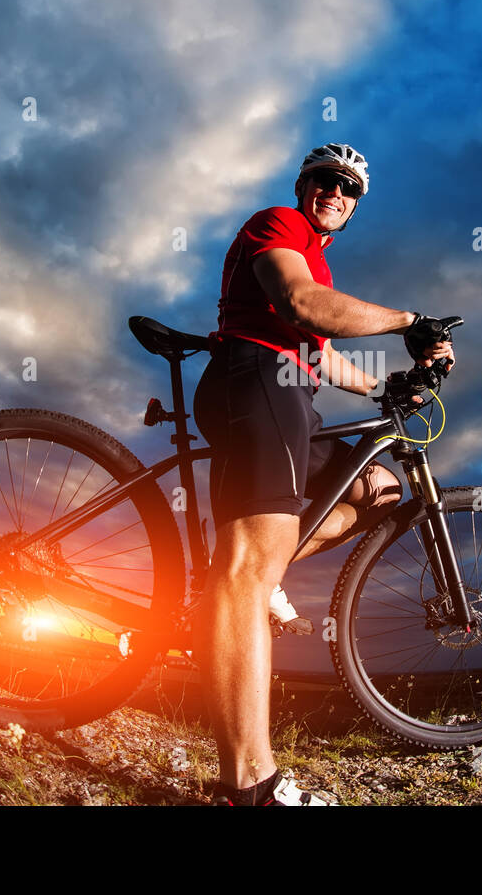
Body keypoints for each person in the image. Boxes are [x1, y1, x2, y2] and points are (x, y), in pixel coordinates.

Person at [192, 142, 455, 805]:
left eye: (350, 189)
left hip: (291, 396)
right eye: (326, 180)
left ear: (356, 205)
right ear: (305, 184)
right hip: (255, 380)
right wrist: (409, 321)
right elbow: (300, 305)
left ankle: (237, 583)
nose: (336, 193)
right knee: (247, 573)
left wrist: (386, 388)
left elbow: (323, 352)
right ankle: (248, 784)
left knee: (380, 489)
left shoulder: (318, 258)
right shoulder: (280, 224)